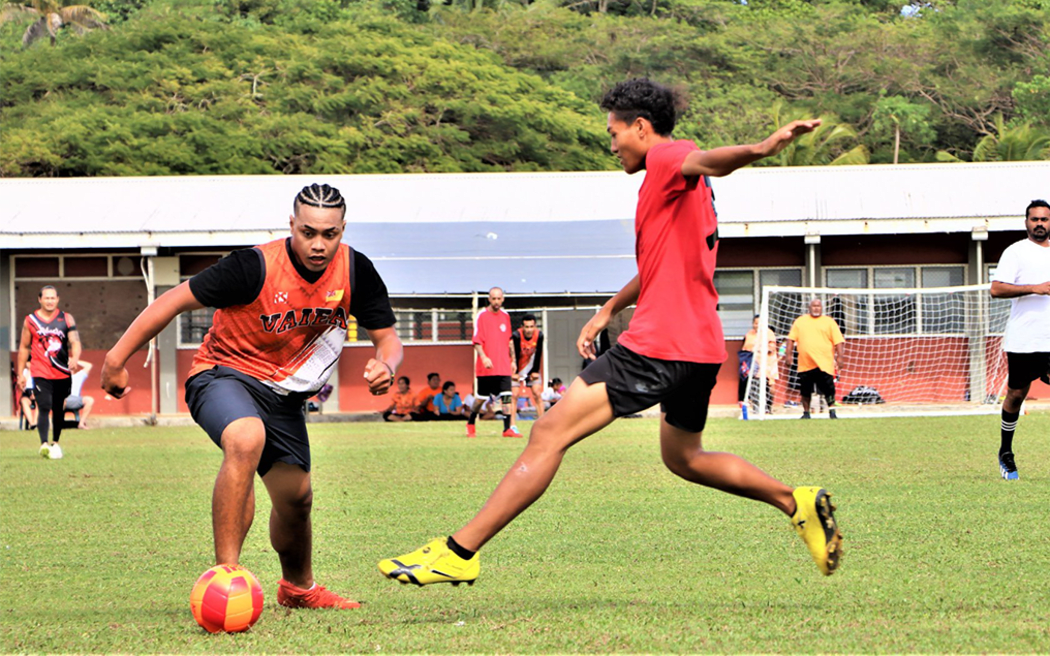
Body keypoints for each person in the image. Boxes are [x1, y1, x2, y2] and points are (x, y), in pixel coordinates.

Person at [378, 78, 842, 587]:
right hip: (702, 346)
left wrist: (763, 146)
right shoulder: (680, 194)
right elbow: (658, 266)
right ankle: (792, 500)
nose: (612, 143)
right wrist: (608, 310)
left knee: (548, 432)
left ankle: (458, 551)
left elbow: (708, 159)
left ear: (641, 128)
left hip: (660, 344)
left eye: (614, 132)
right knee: (684, 457)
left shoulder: (668, 161)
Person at [101, 183, 403, 610]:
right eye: (308, 232)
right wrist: (115, 359)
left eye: (329, 234)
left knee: (296, 498)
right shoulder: (253, 266)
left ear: (343, 229)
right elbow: (172, 300)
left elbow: (388, 338)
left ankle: (298, 589)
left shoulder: (356, 271)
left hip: (283, 398)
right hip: (223, 374)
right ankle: (226, 582)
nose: (318, 244)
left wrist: (386, 365)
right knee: (245, 438)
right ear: (291, 225)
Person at [989, 199, 1050, 481]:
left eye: (1044, 219)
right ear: (1027, 222)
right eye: (1035, 219)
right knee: (1016, 395)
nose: (1040, 224)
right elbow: (996, 289)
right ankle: (1006, 453)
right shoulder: (1015, 252)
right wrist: (1034, 289)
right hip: (1025, 339)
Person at [16, 285, 81, 460]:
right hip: (40, 371)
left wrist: (75, 358)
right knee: (43, 404)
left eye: (53, 298)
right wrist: (21, 373)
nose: (50, 301)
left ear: (57, 299)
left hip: (62, 371)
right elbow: (23, 347)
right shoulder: (30, 320)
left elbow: (75, 342)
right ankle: (44, 444)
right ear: (40, 299)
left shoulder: (66, 319)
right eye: (46, 298)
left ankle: (56, 443)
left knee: (58, 407)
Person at [466, 287, 522, 438]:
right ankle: (471, 423)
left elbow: (509, 340)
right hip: (487, 367)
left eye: (499, 298)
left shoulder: (506, 316)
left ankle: (507, 429)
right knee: (481, 399)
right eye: (494, 298)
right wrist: (484, 357)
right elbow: (477, 340)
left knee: (506, 397)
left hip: (503, 364)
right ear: (489, 299)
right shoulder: (482, 316)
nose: (496, 302)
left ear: (503, 299)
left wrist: (513, 360)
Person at [783, 299, 845, 420]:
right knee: (805, 391)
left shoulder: (829, 322)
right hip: (805, 363)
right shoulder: (800, 321)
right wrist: (788, 355)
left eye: (818, 306)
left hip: (824, 363)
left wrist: (840, 358)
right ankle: (806, 413)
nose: (816, 308)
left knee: (829, 389)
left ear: (822, 308)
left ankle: (832, 411)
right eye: (814, 306)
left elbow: (838, 341)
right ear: (809, 307)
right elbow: (790, 339)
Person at [740, 315, 778, 414]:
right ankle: (756, 407)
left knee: (768, 385)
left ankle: (768, 407)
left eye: (759, 323)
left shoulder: (769, 333)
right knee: (754, 385)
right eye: (755, 323)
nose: (757, 325)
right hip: (754, 364)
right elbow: (745, 349)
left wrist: (762, 349)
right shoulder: (749, 334)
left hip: (767, 363)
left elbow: (772, 348)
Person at [512, 314, 546, 418]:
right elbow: (515, 354)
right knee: (514, 395)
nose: (529, 330)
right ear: (522, 327)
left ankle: (542, 421)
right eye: (526, 327)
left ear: (535, 326)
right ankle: (512, 424)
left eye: (531, 327)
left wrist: (535, 370)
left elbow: (538, 353)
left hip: (531, 365)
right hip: (517, 365)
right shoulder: (516, 336)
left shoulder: (539, 335)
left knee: (537, 393)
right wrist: (515, 372)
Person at [64, 360, 96, 429]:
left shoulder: (79, 376)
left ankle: (81, 423)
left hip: (76, 399)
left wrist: (75, 360)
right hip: (64, 399)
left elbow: (89, 366)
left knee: (90, 400)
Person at [18, 363, 37, 430]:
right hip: (27, 393)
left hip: (36, 392)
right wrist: (28, 372)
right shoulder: (23, 372)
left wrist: (35, 394)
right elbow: (21, 386)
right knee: (24, 401)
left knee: (40, 401)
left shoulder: (37, 372)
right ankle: (32, 423)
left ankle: (35, 422)